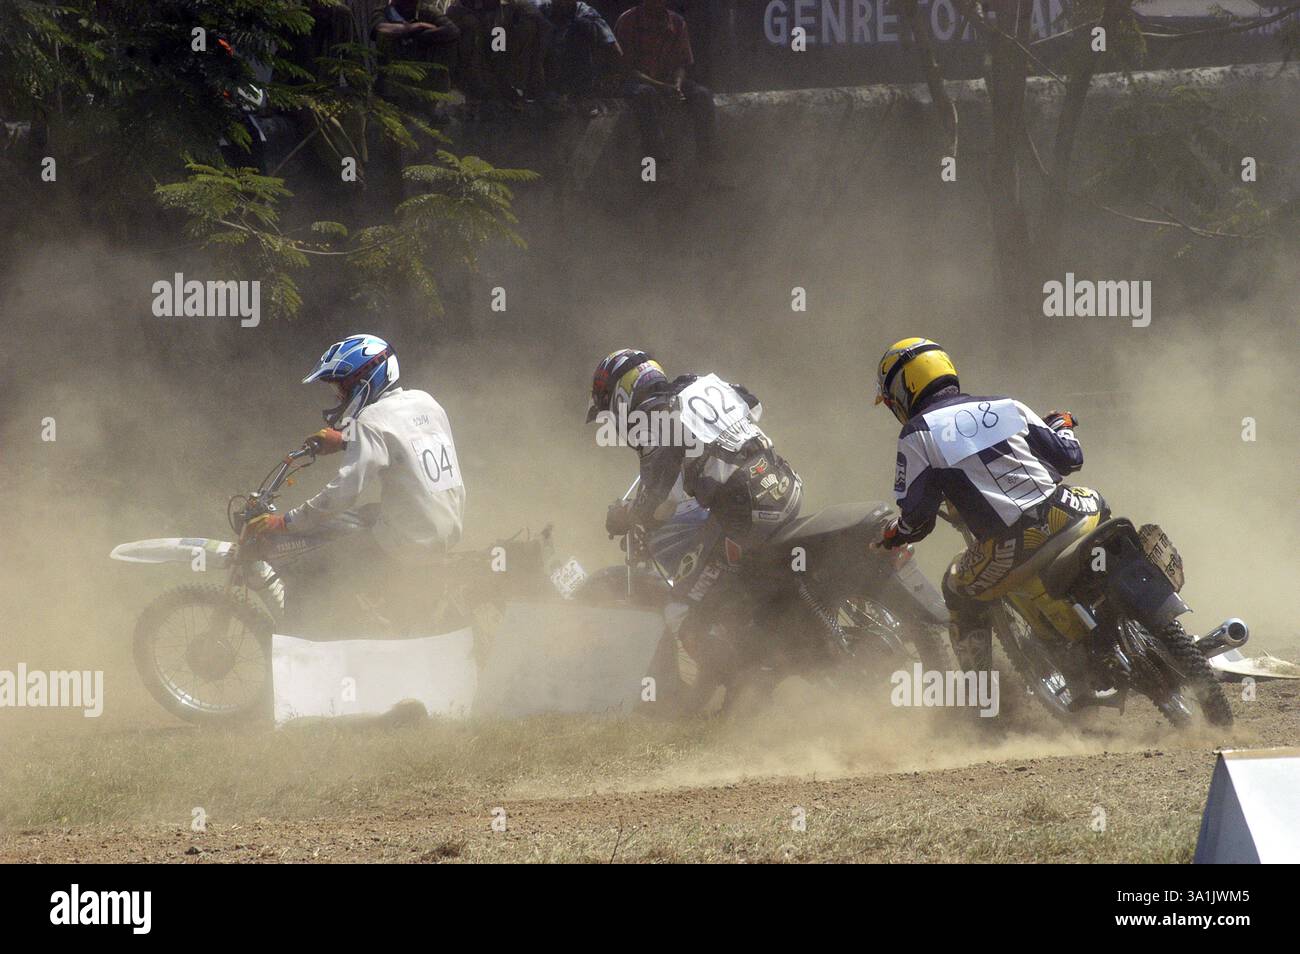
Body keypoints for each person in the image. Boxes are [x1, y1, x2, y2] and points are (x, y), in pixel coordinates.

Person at [872, 337, 1103, 674]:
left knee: (956, 590)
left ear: (904, 390)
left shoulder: (917, 433)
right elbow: (1069, 457)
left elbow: (918, 520)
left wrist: (893, 535)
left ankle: (983, 704)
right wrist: (1062, 425)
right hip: (1070, 508)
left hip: (1012, 542)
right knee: (1104, 513)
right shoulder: (1007, 404)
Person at [588, 348, 801, 676]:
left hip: (745, 514)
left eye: (607, 412)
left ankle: (743, 688)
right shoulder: (699, 383)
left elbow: (661, 504)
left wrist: (627, 516)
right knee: (735, 577)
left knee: (681, 612)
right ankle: (764, 636)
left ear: (620, 397)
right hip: (784, 486)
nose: (611, 422)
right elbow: (754, 405)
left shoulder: (653, 420)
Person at [243, 334, 466, 635]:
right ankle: (361, 613)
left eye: (341, 388)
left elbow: (344, 492)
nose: (338, 397)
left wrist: (285, 521)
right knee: (353, 521)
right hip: (445, 524)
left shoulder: (372, 420)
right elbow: (403, 440)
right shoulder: (425, 402)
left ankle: (310, 649)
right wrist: (346, 439)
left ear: (364, 382)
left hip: (408, 539)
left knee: (308, 572)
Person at [613, 0, 716, 171]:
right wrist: (661, 86)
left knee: (703, 94)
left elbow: (682, 64)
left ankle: (708, 165)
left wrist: (676, 85)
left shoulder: (677, 23)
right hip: (635, 82)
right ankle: (656, 167)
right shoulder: (628, 21)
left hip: (667, 81)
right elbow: (626, 69)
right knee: (645, 94)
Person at [537, 0, 621, 101]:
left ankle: (582, 94)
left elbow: (612, 46)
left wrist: (612, 76)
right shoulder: (542, 10)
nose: (562, 3)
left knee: (583, 24)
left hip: (578, 72)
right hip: (549, 72)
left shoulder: (586, 13)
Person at [370, 0, 462, 93]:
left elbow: (452, 31)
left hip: (424, 78)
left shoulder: (427, 11)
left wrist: (422, 36)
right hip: (392, 79)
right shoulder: (383, 12)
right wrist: (412, 28)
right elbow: (380, 28)